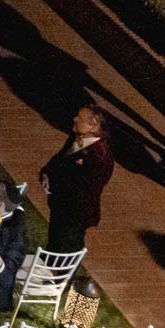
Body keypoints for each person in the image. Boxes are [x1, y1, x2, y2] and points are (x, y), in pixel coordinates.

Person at [41, 105, 114, 254]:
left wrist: (56, 182)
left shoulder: (99, 155)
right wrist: (47, 173)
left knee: (66, 246)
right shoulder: (79, 138)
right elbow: (60, 158)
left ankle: (61, 275)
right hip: (61, 204)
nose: (74, 119)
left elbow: (85, 186)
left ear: (93, 127)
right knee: (55, 242)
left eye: (79, 118)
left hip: (74, 211)